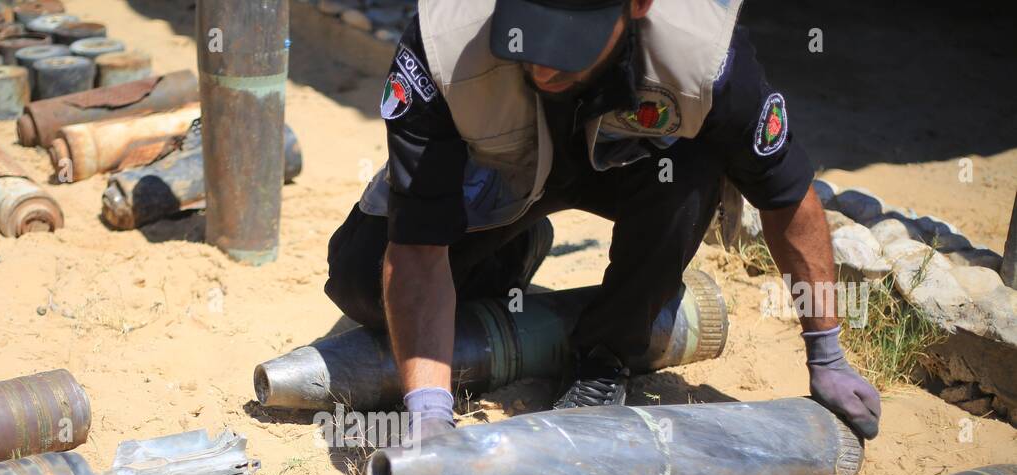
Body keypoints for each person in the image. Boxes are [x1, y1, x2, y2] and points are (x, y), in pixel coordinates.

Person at [324, 0, 881, 446]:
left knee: (691, 169)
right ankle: (510, 252)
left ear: (637, 6)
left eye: (567, 43)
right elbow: (417, 244)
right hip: (501, 176)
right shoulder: (443, 43)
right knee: (363, 281)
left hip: (630, 168)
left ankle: (607, 353)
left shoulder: (705, 57)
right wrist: (429, 420)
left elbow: (785, 196)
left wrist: (826, 352)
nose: (542, 65)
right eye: (526, 32)